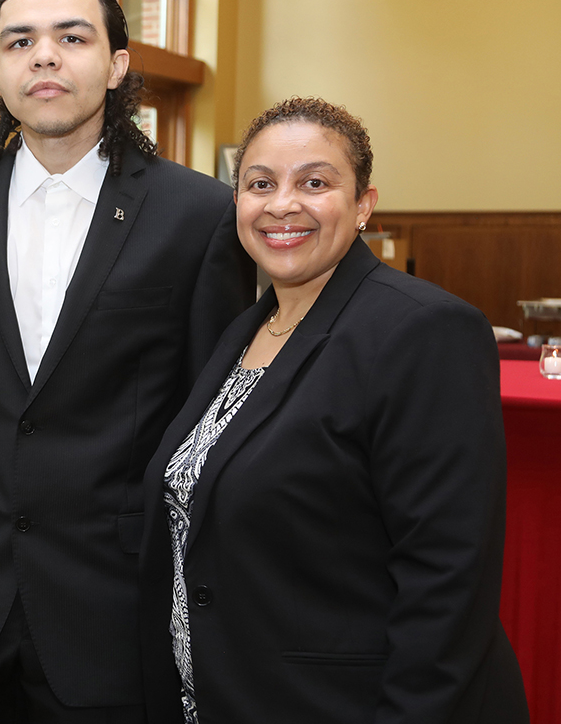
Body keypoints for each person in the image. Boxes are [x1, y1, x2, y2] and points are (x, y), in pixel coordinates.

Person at [0, 0, 255, 723]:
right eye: (19, 41)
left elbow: (209, 428)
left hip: (109, 604)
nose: (43, 55)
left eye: (70, 36)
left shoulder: (200, 214)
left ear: (115, 65)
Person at [138, 97, 529, 723]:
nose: (283, 203)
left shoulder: (424, 330)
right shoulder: (245, 328)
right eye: (259, 183)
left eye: (314, 182)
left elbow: (446, 580)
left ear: (364, 204)